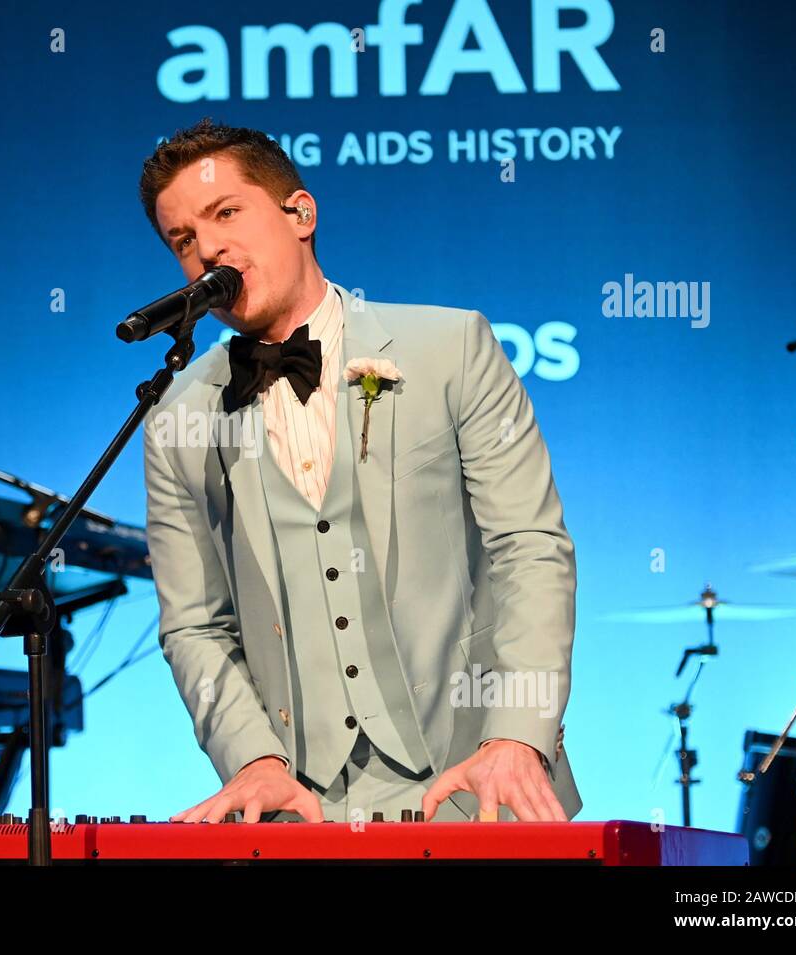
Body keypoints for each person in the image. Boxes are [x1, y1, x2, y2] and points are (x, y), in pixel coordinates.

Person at [139, 119, 580, 824]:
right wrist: (254, 759)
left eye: (226, 213)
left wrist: (516, 736)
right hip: (300, 813)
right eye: (183, 239)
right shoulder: (176, 419)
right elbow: (194, 625)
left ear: (300, 214)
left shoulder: (451, 346)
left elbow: (530, 549)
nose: (208, 247)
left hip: (479, 788)